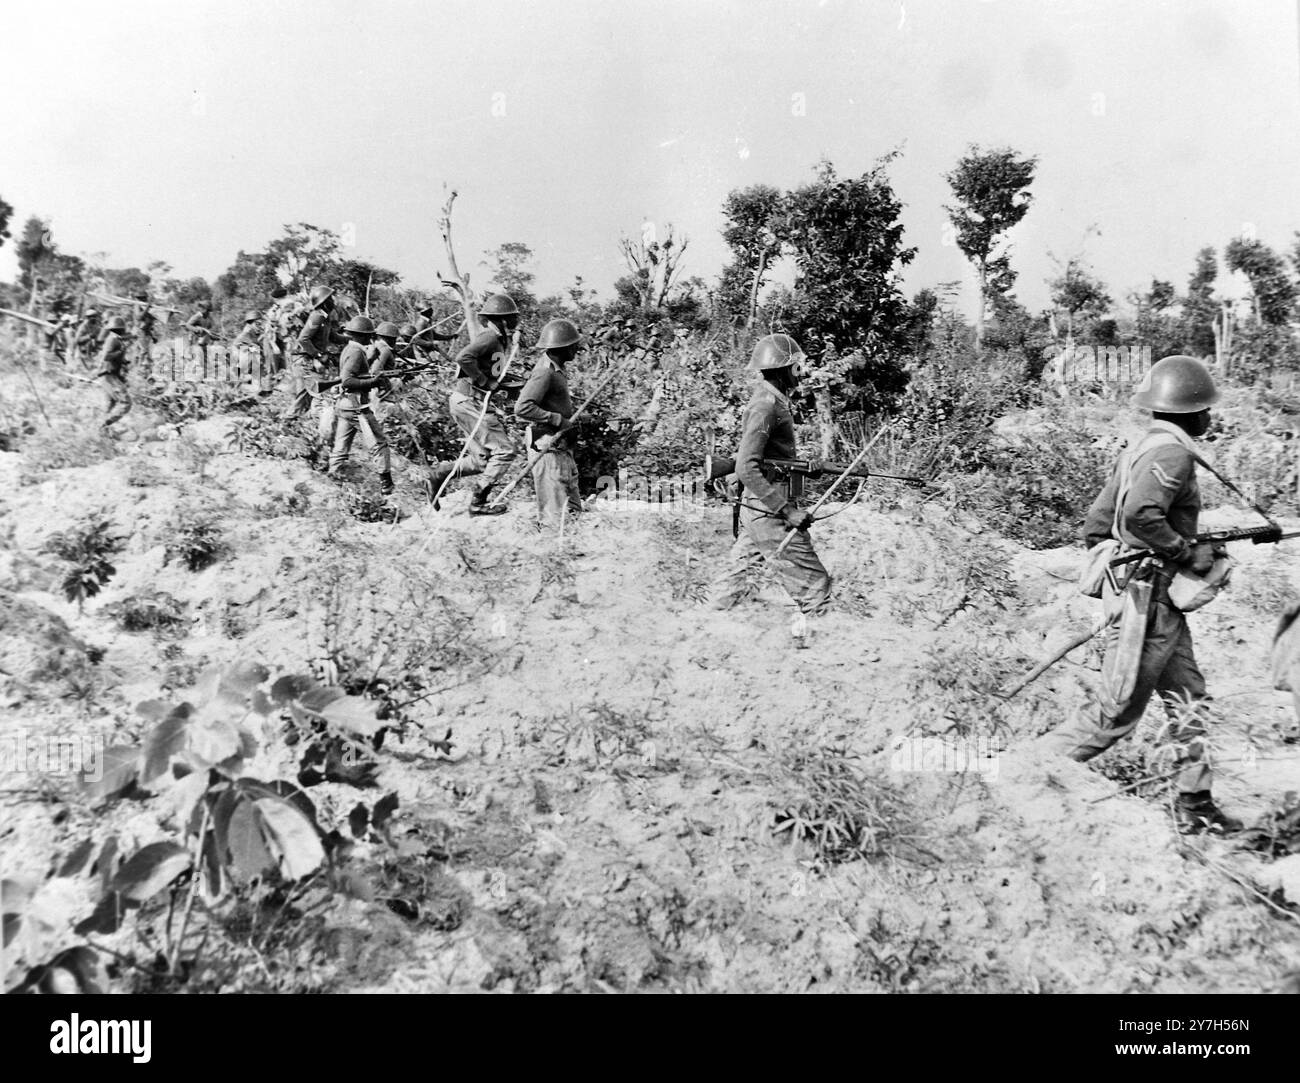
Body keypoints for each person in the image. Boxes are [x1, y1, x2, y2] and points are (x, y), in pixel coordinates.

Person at [1042, 355, 1241, 836]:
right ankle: (1029, 772)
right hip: (1147, 600)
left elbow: (1098, 523)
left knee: (1189, 698)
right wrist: (1181, 552)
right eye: (1206, 407)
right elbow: (1139, 517)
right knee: (1118, 711)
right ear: (1191, 411)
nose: (1210, 415)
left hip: (1153, 597)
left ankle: (1195, 803)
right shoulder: (1172, 453)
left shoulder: (1144, 445)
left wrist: (1138, 562)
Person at [707, 334, 831, 615]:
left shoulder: (774, 401)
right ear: (784, 370)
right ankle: (823, 640)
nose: (801, 372)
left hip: (760, 506)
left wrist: (805, 469)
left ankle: (705, 626)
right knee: (815, 588)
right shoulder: (766, 406)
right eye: (796, 366)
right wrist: (787, 511)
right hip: (769, 510)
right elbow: (746, 467)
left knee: (731, 587)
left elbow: (771, 459)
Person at [423, 293, 521, 514]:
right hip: (469, 401)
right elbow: (464, 358)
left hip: (468, 401)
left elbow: (493, 369)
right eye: (513, 318)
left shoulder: (500, 339)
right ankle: (478, 502)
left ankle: (438, 474)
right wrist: (484, 381)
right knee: (505, 451)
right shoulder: (489, 338)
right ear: (502, 320)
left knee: (482, 461)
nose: (516, 322)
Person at [514, 318, 583, 531]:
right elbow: (522, 407)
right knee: (555, 519)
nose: (577, 348)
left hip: (560, 449)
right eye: (573, 345)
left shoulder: (557, 369)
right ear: (561, 348)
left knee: (572, 513)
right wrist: (557, 419)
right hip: (547, 448)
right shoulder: (544, 372)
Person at [327, 315, 394, 494]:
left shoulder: (349, 349)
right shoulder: (357, 352)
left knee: (341, 447)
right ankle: (386, 485)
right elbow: (348, 380)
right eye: (369, 335)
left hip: (344, 405)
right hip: (357, 406)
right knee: (379, 443)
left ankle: (332, 478)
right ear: (363, 336)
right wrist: (373, 383)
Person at [283, 285, 345, 422]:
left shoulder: (324, 317)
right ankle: (291, 419)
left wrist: (352, 338)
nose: (333, 301)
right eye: (330, 299)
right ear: (325, 302)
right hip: (304, 359)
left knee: (309, 392)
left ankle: (297, 419)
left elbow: (333, 337)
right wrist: (317, 355)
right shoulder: (317, 316)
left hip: (310, 359)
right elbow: (303, 339)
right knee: (311, 391)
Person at [92, 316, 134, 434]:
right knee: (125, 403)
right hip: (108, 375)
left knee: (110, 404)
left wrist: (124, 360)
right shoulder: (113, 339)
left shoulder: (116, 339)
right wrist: (121, 351)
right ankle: (103, 424)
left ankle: (99, 428)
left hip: (109, 374)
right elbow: (106, 356)